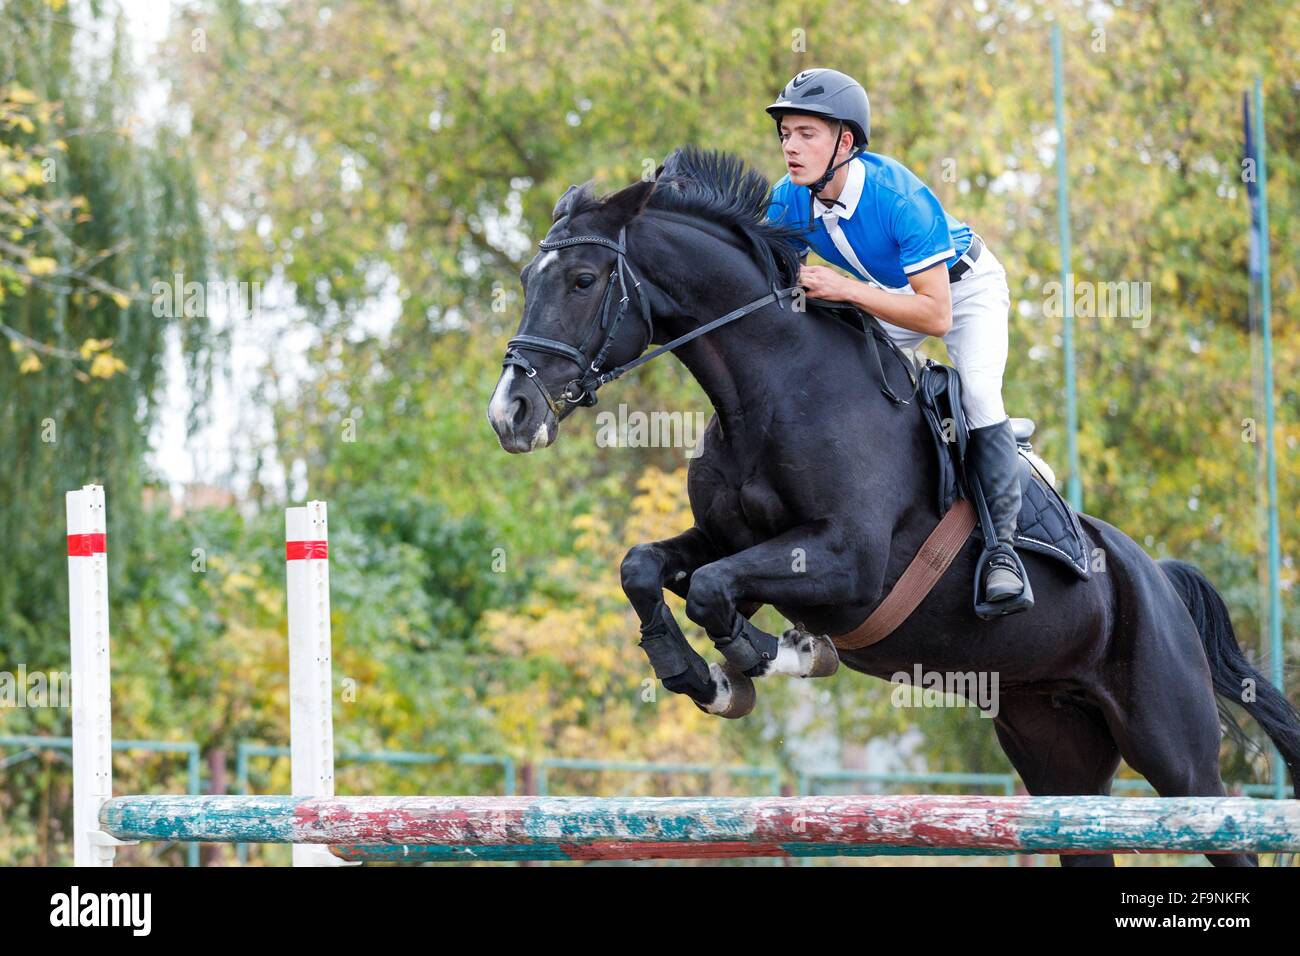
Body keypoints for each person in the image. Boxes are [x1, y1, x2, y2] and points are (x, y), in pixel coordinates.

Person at [763, 67, 1032, 617]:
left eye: (806, 133)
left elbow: (935, 315)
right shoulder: (787, 200)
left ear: (845, 141)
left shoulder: (897, 196)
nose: (791, 146)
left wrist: (844, 289)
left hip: (963, 291)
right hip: (889, 293)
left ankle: (1003, 554)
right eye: (786, 133)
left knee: (978, 394)